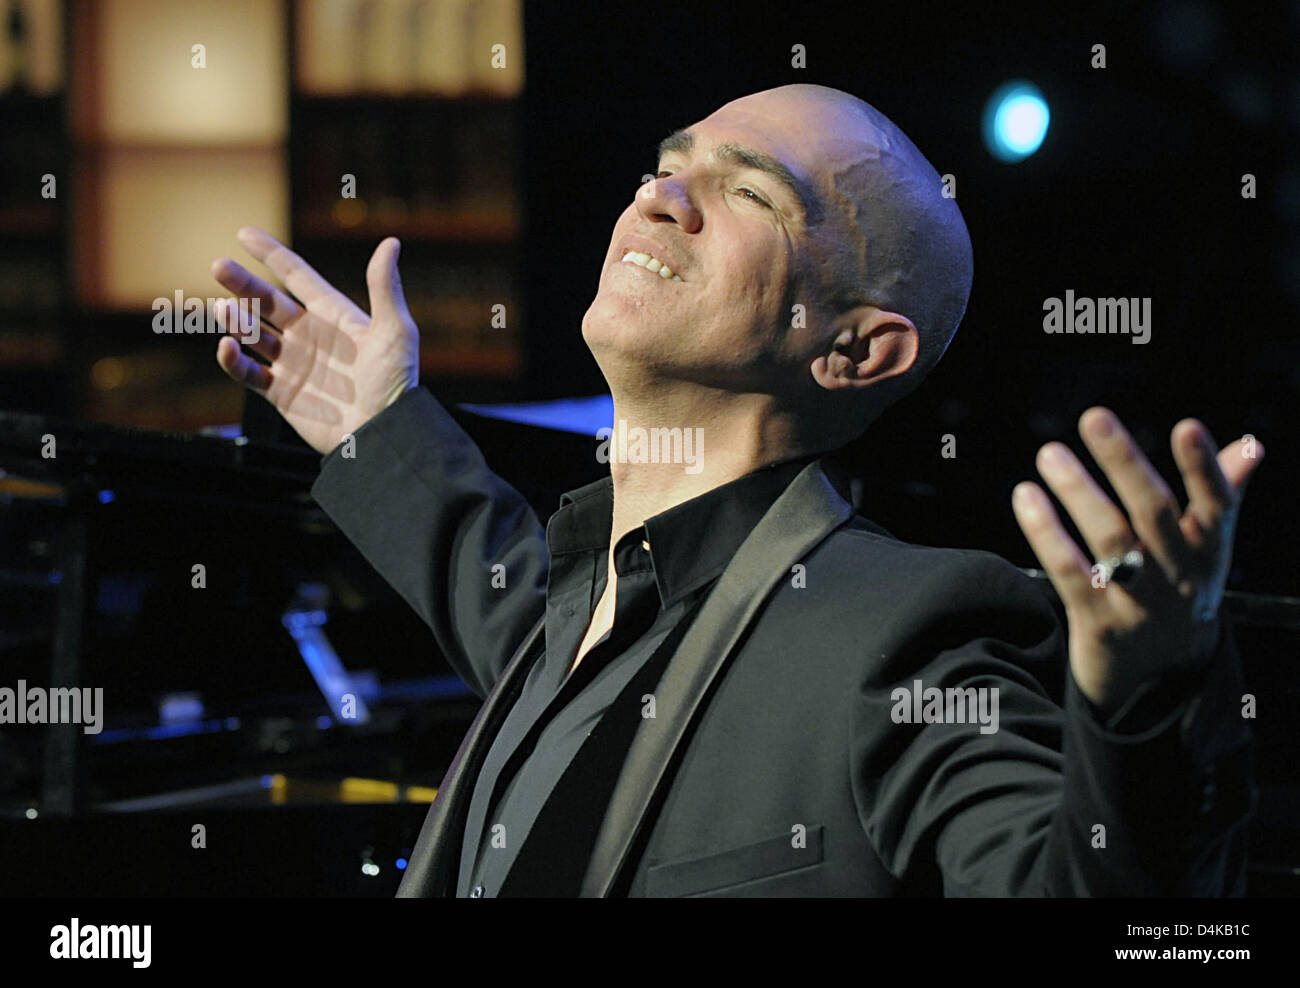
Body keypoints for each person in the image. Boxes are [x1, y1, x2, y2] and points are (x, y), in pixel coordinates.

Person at [210, 84, 1262, 896]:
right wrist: (377, 429)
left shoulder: (912, 636)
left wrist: (1144, 703)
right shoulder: (582, 615)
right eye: (668, 168)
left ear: (854, 348)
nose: (659, 195)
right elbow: (504, 599)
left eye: (748, 190)